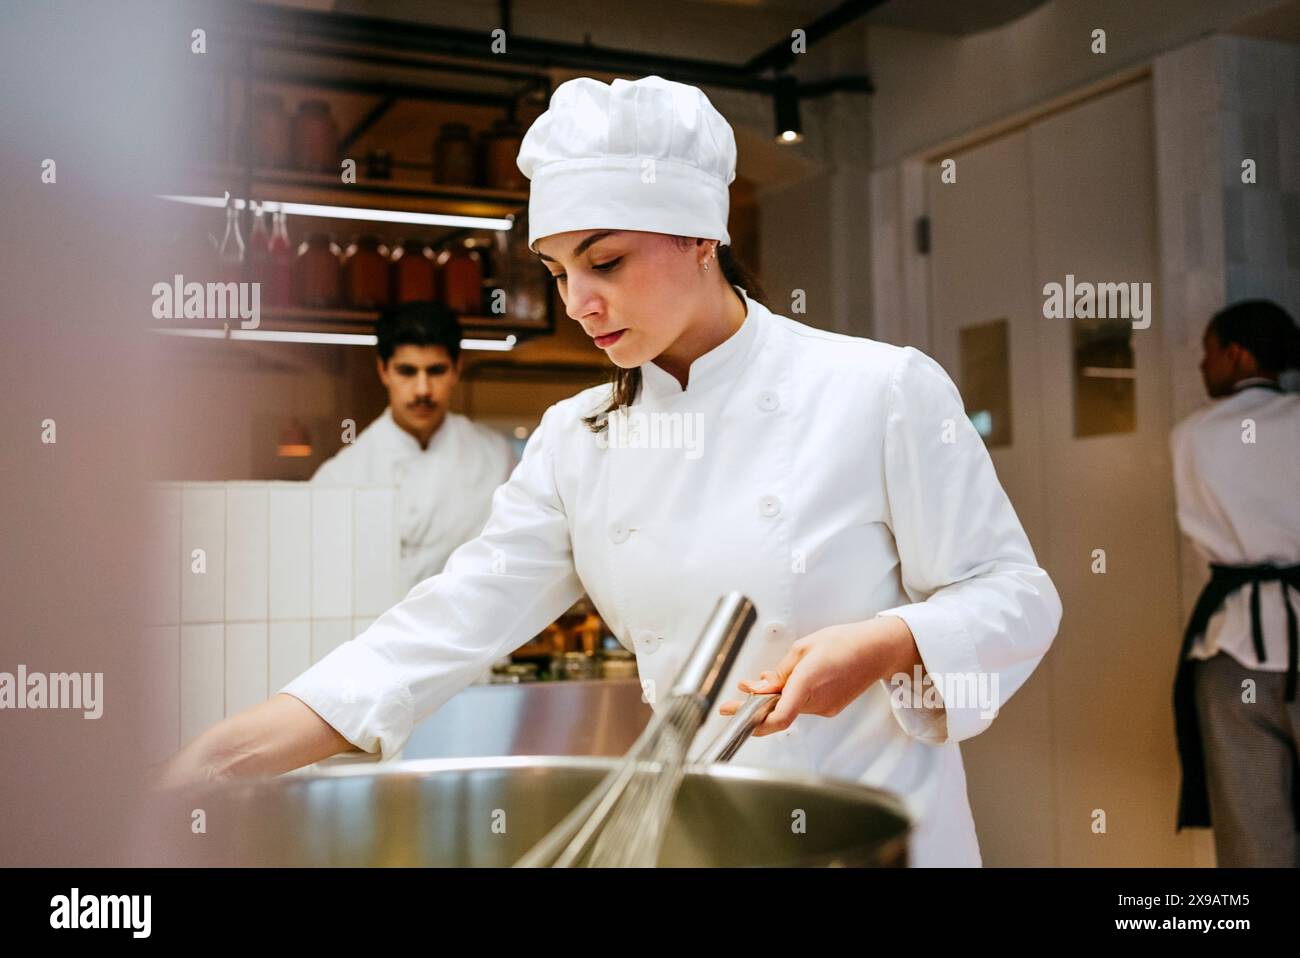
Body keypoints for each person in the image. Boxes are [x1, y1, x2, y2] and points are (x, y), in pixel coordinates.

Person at [150, 75, 1061, 868]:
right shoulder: (577, 438)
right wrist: (217, 758)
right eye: (556, 271)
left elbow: (1016, 596)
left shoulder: (877, 390)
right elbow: (437, 630)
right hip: (698, 842)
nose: (579, 304)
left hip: (876, 843)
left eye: (607, 261)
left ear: (702, 236)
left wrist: (884, 645)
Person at [1170, 299, 1300, 866]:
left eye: (1209, 351)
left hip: (1230, 649)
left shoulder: (1191, 435)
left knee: (1253, 838)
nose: (1203, 366)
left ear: (1238, 353)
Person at [311, 300, 516, 592]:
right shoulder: (340, 477)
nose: (422, 390)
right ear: (384, 371)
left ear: (456, 369)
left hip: (475, 632)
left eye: (436, 371)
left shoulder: (495, 458)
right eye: (407, 371)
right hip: (374, 633)